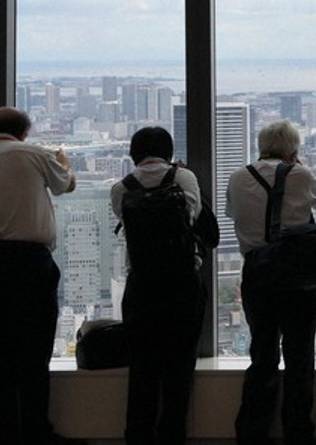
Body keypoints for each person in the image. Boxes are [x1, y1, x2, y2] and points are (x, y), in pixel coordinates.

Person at [0, 106, 78, 445]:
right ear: (24, 132)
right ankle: (37, 432)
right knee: (33, 353)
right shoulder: (33, 154)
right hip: (29, 264)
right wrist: (64, 164)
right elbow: (65, 186)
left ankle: (5, 435)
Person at [228, 121, 316, 445]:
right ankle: (298, 432)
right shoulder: (299, 175)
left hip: (256, 274)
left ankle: (252, 432)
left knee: (263, 353)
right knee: (299, 356)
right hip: (297, 275)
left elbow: (234, 214)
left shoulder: (238, 176)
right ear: (293, 149)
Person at [111, 127, 205, 445]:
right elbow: (193, 216)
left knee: (143, 368)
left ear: (134, 153)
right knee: (179, 366)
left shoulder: (121, 188)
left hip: (142, 285)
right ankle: (172, 435)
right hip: (181, 282)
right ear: (168, 150)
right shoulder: (184, 179)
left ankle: (137, 435)